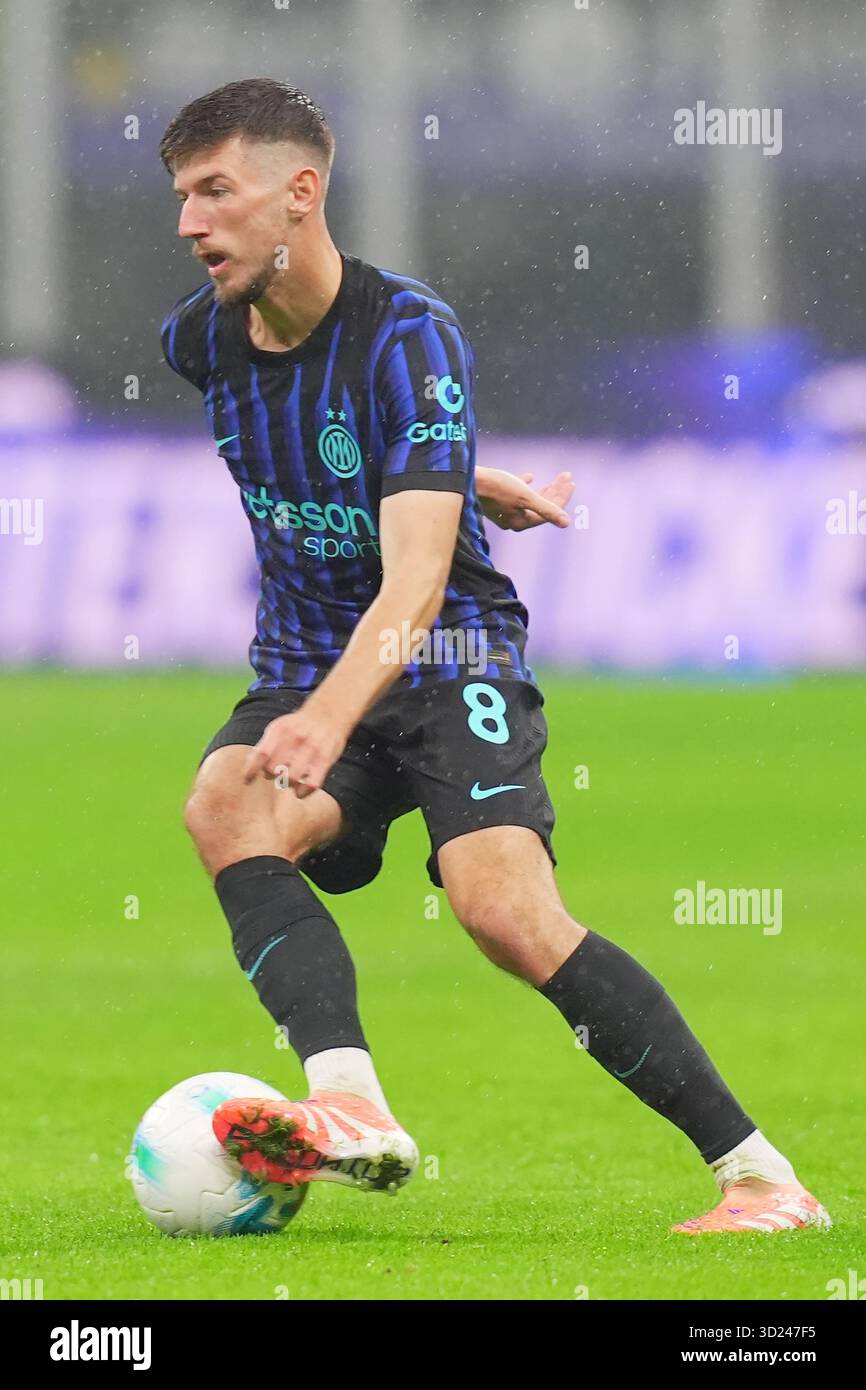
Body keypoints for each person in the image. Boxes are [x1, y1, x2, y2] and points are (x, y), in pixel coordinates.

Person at [159, 78, 828, 1234]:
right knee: (225, 806)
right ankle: (349, 1105)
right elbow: (344, 449)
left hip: (444, 653)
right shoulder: (198, 341)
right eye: (180, 196)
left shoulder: (409, 330)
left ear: (299, 192)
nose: (189, 223)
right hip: (307, 656)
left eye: (215, 190)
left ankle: (762, 1178)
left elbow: (417, 584)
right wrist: (464, 472)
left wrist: (326, 719)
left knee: (501, 911)